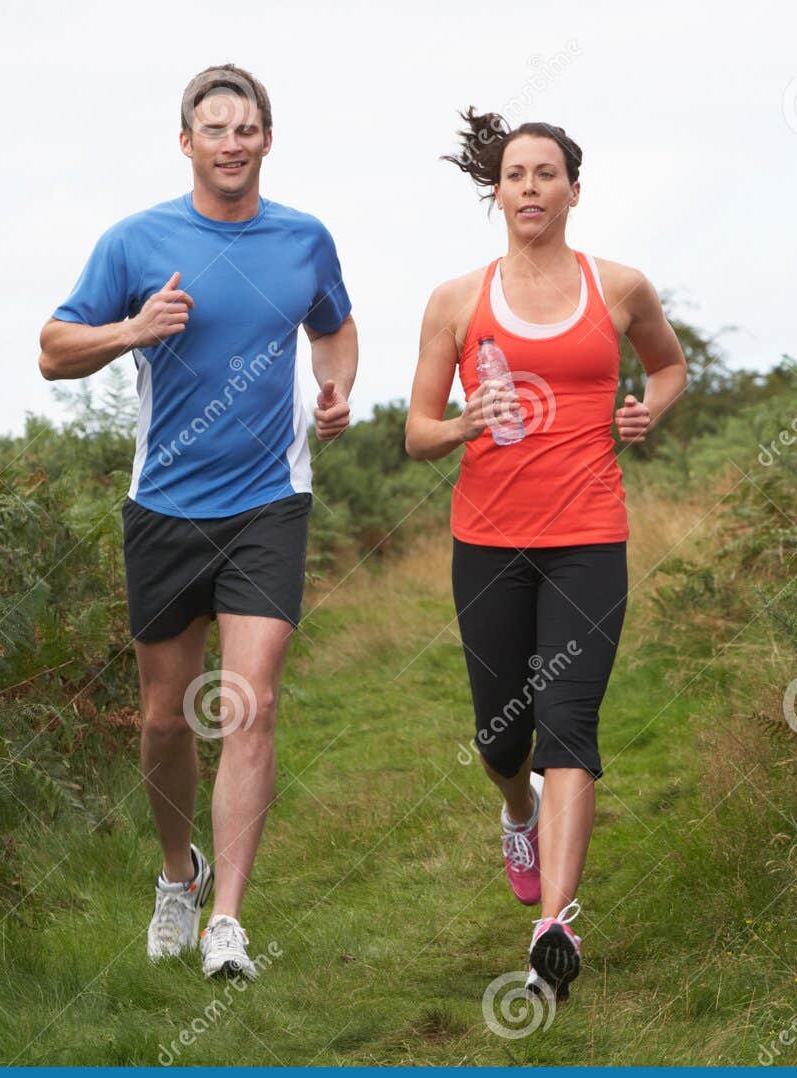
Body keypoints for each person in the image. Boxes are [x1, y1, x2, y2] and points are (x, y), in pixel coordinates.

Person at [38, 64, 357, 981]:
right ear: (187, 143)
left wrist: (336, 390)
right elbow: (54, 351)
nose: (231, 142)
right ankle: (177, 875)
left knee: (248, 703)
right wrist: (131, 331)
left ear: (265, 139)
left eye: (246, 128)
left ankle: (227, 923)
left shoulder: (304, 239)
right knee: (165, 720)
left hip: (269, 502)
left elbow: (334, 326)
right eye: (213, 129)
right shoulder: (136, 242)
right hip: (165, 506)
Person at [404, 108, 687, 1000]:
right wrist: (461, 423)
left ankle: (552, 931)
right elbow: (415, 433)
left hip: (589, 540)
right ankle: (516, 807)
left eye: (545, 174)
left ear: (573, 189)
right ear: (498, 190)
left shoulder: (620, 288)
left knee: (570, 723)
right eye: (515, 175)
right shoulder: (456, 300)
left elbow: (669, 366)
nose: (529, 187)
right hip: (487, 541)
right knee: (501, 734)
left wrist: (649, 409)